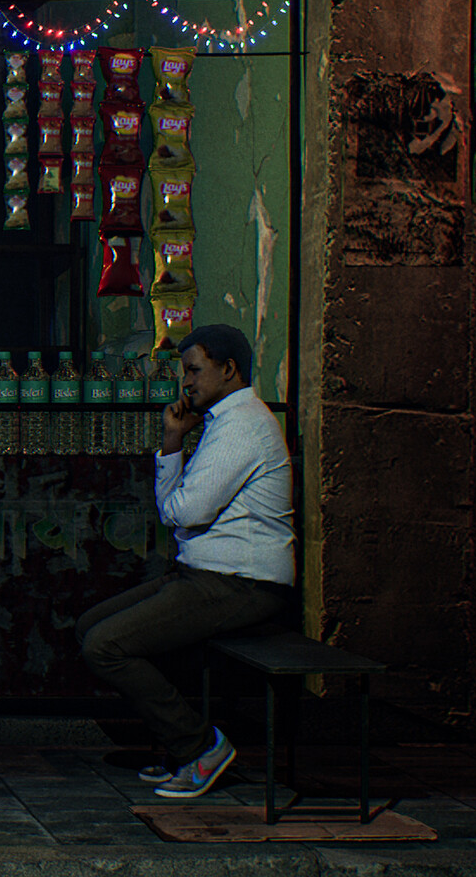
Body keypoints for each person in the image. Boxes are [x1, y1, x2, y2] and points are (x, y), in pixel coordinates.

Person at [76, 324, 295, 799]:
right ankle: (183, 747)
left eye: (194, 371)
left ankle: (199, 749)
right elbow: (183, 515)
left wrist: (172, 453)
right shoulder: (223, 423)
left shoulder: (243, 426)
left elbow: (183, 512)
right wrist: (174, 440)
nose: (186, 383)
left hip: (242, 582)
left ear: (228, 369)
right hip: (205, 575)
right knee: (92, 625)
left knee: (105, 645)